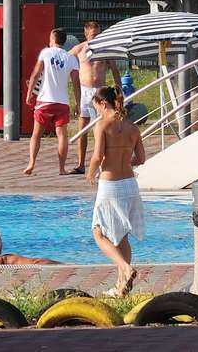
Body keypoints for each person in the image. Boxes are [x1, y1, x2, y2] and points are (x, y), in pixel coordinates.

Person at [87, 84, 146, 296]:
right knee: (122, 236)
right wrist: (124, 160)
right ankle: (121, 285)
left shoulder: (102, 126)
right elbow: (141, 158)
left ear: (104, 103)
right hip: (130, 183)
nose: (97, 112)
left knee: (98, 232)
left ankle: (125, 268)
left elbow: (97, 156)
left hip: (110, 184)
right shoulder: (132, 128)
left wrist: (90, 172)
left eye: (97, 108)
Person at [24, 27, 81, 176]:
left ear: (53, 40)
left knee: (36, 134)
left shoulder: (46, 53)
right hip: (62, 102)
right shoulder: (71, 58)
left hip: (44, 100)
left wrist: (29, 94)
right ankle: (62, 168)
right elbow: (76, 82)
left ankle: (32, 163)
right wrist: (78, 103)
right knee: (62, 135)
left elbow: (36, 74)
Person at [70, 21, 121, 175]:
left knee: (104, 128)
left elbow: (115, 71)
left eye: (98, 34)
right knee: (83, 128)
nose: (96, 37)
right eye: (93, 35)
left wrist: (119, 93)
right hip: (85, 91)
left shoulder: (104, 50)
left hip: (100, 91)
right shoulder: (79, 49)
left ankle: (104, 162)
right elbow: (64, 61)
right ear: (86, 35)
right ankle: (80, 164)